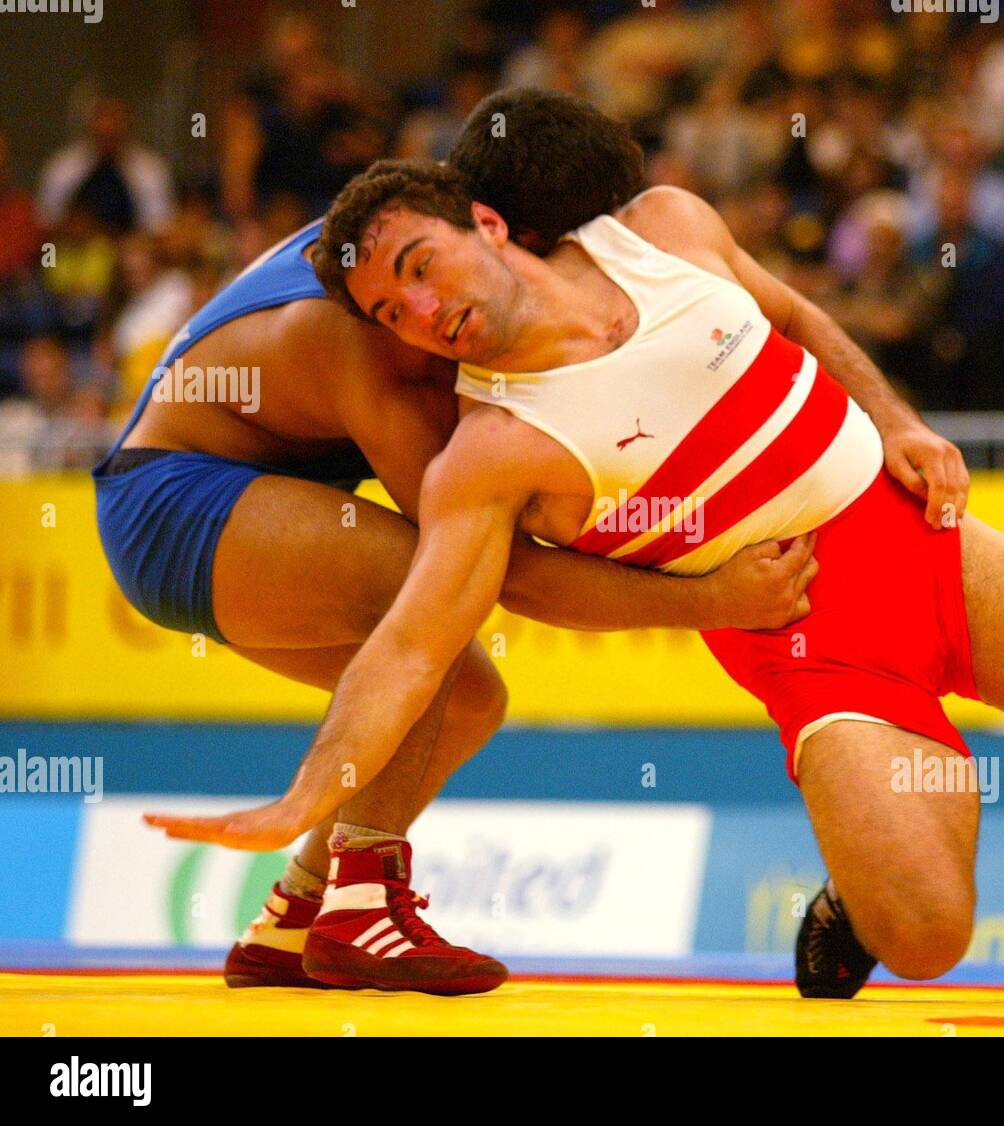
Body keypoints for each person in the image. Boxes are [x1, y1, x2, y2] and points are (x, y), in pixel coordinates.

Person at [150, 153, 1004, 1008]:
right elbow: (414, 640)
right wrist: (309, 797)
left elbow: (794, 315)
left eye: (420, 268)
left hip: (938, 551)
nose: (422, 312)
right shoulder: (487, 451)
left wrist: (897, 418)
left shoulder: (657, 229)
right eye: (391, 313)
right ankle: (861, 886)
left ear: (484, 223)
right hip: (816, 646)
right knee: (925, 937)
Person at [97, 91, 817, 996]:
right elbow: (501, 572)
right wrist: (707, 601)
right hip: (171, 502)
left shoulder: (406, 240)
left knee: (469, 695)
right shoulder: (384, 341)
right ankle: (362, 911)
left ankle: (295, 916)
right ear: (501, 225)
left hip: (228, 492)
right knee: (429, 602)